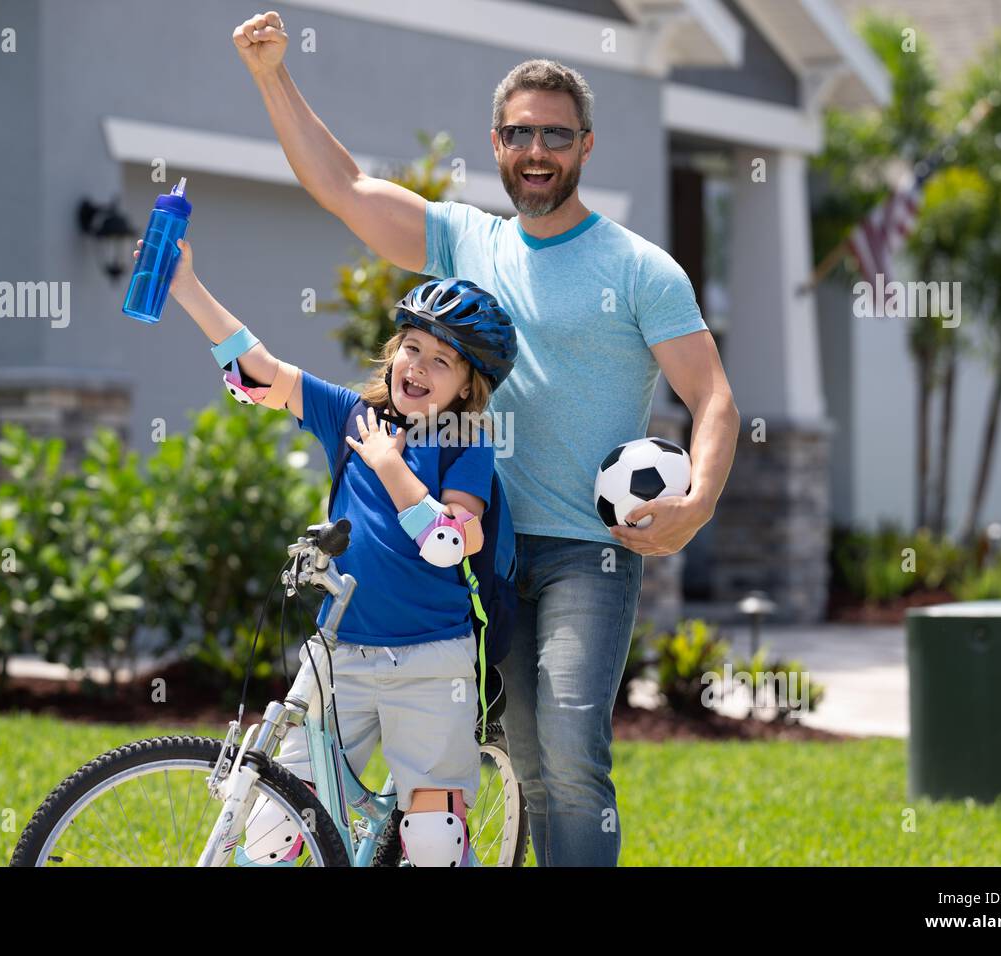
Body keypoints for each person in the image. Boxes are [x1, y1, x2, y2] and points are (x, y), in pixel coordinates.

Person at [231, 11, 741, 867]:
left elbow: (714, 395)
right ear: (495, 142)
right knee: (515, 760)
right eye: (518, 134)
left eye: (554, 134)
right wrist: (271, 75)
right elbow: (344, 189)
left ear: (585, 145)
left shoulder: (639, 268)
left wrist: (696, 504)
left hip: (590, 548)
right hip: (480, 555)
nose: (535, 150)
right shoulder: (466, 240)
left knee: (569, 757)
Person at [135, 235, 518, 866]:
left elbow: (452, 541)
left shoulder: (465, 441)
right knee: (274, 824)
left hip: (431, 662)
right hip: (338, 653)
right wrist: (186, 288)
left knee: (432, 840)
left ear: (467, 389)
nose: (418, 368)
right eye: (412, 349)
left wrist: (393, 469)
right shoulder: (348, 416)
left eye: (441, 362)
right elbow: (259, 367)